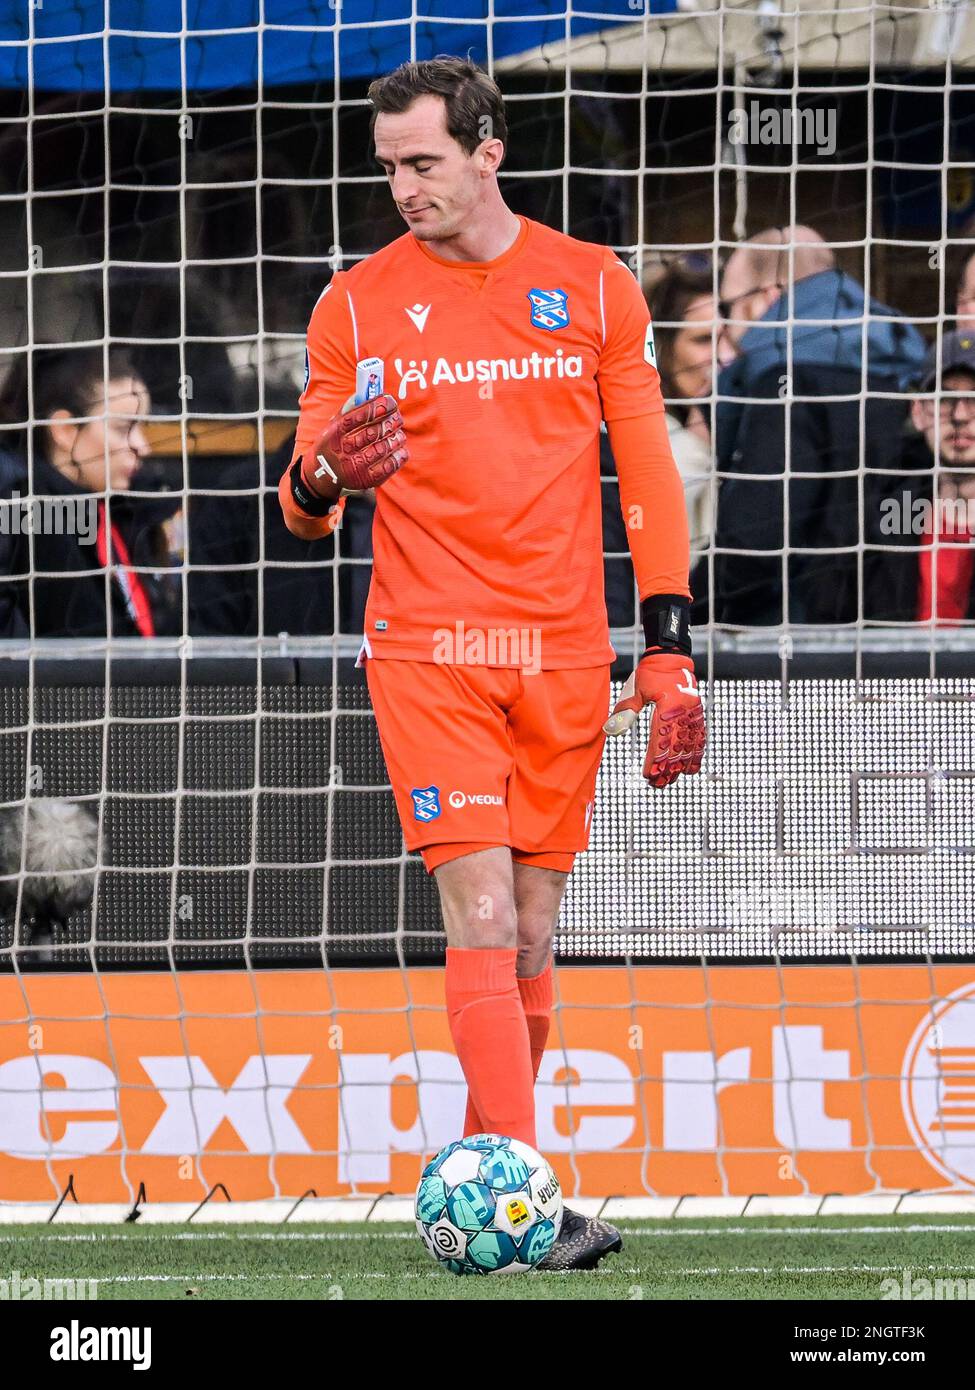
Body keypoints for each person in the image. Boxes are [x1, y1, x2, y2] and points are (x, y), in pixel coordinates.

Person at [279, 57, 706, 1270]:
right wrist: (325, 474)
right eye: (389, 169)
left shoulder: (595, 285)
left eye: (423, 162)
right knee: (475, 907)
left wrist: (668, 647)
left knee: (528, 930)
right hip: (429, 646)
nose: (404, 188)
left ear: (487, 153)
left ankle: (490, 1203)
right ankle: (532, 1207)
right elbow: (302, 502)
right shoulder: (354, 304)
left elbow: (645, 469)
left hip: (562, 651)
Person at [713, 225, 927, 626]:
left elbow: (755, 541)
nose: (724, 328)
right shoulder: (907, 363)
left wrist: (684, 610)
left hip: (795, 633)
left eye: (727, 309)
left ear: (768, 296)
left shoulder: (782, 380)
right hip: (899, 621)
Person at [0, 348, 181, 638]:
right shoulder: (25, 516)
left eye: (141, 427)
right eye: (123, 429)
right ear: (65, 430)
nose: (142, 446)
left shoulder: (124, 513)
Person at [646, 257, 718, 618]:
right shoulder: (641, 437)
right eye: (703, 340)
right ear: (663, 346)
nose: (721, 356)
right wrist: (696, 449)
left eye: (727, 337)